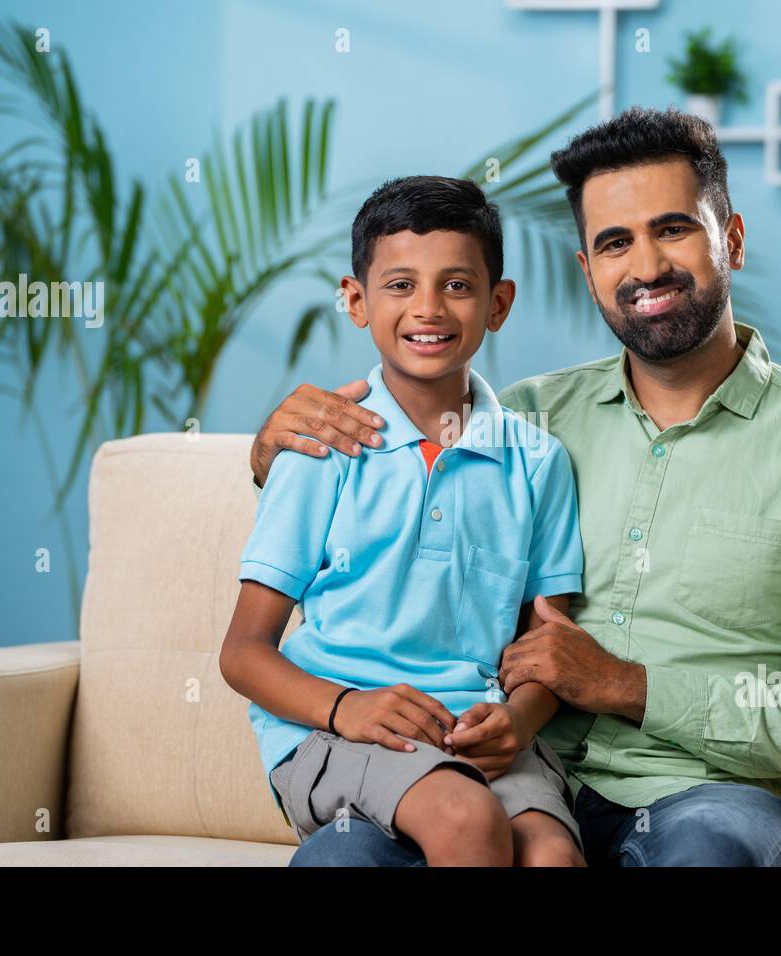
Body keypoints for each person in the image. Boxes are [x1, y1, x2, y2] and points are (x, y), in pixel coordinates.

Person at [252, 108, 781, 867]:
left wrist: (628, 685)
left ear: (730, 239)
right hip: (494, 775)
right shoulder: (520, 423)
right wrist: (274, 451)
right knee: (341, 860)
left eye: (673, 229)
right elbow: (370, 510)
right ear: (587, 268)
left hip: (698, 795)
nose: (647, 266)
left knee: (709, 855)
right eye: (614, 243)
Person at [220, 175, 587, 866]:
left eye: (457, 285)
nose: (429, 308)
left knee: (552, 857)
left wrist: (516, 718)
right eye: (399, 285)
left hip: (475, 732)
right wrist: (345, 707)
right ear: (355, 300)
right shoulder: (320, 447)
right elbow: (242, 652)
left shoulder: (537, 462)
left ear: (498, 303)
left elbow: (548, 648)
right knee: (465, 818)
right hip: (340, 732)